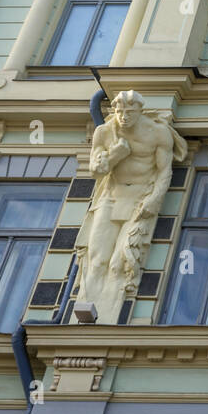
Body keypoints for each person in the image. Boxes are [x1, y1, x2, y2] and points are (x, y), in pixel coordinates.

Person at [75, 90, 186, 323]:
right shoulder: (104, 132)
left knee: (120, 263)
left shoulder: (157, 133)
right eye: (120, 111)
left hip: (139, 198)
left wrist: (154, 199)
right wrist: (116, 154)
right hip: (111, 197)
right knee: (97, 260)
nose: (124, 117)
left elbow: (165, 172)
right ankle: (85, 317)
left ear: (140, 111)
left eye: (130, 112)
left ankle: (106, 317)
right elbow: (96, 171)